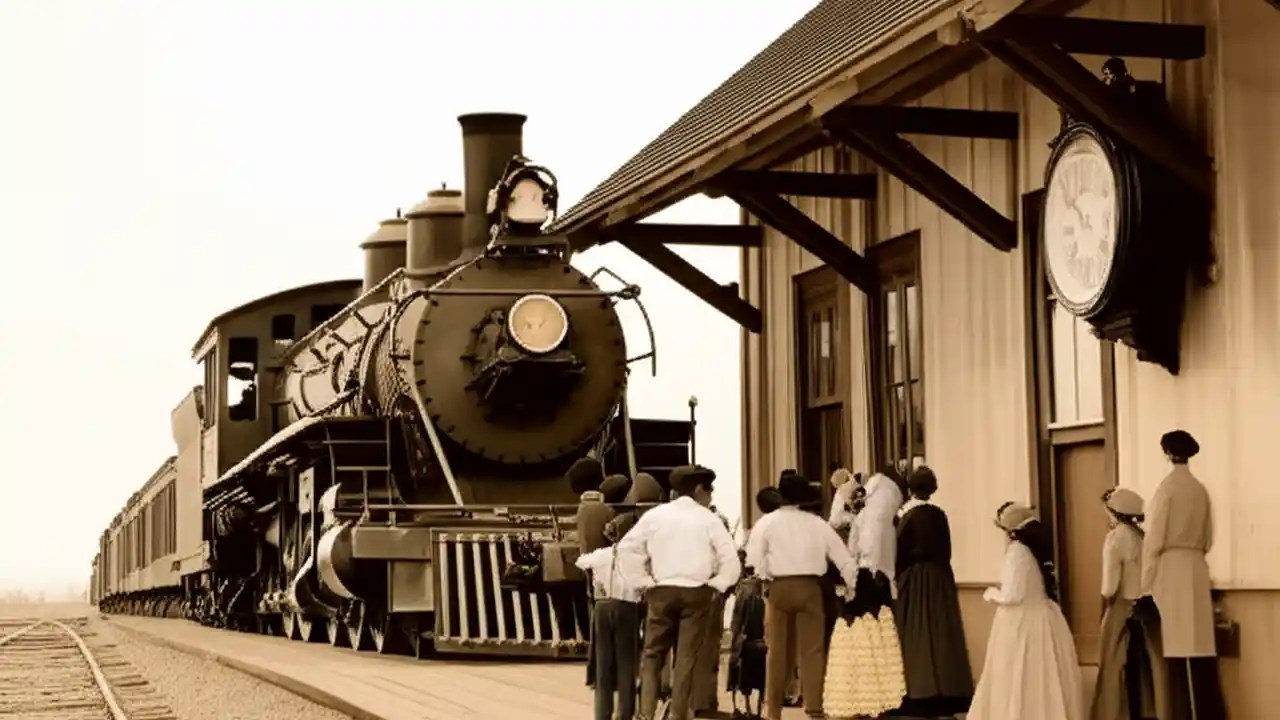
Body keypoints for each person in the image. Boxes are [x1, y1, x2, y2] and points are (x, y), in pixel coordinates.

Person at [617, 465, 741, 720]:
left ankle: (646, 714)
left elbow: (628, 549)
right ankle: (677, 714)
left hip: (661, 591)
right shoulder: (709, 519)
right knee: (686, 659)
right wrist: (717, 585)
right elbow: (730, 560)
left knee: (652, 654)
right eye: (710, 490)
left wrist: (642, 582)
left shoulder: (656, 516)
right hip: (697, 594)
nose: (711, 497)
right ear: (698, 490)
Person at [746, 473, 857, 720]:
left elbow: (753, 559)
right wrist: (852, 586)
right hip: (810, 588)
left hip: (779, 588)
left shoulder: (767, 522)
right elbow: (843, 559)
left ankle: (773, 709)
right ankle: (814, 707)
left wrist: (765, 576)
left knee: (776, 651)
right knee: (813, 650)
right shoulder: (817, 524)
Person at [968, 502, 1083, 720]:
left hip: (1021, 622)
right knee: (1044, 676)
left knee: (1018, 674)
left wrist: (991, 593)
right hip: (1044, 617)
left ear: (1011, 531)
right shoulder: (1036, 551)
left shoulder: (1017, 553)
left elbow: (1013, 595)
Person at [1141, 430, 1226, 720]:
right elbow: (1208, 536)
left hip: (1172, 569)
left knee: (1174, 647)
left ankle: (1178, 711)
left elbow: (1154, 537)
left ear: (1166, 453)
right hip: (1196, 568)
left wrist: (1146, 580)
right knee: (1199, 646)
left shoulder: (1166, 489)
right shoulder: (1200, 490)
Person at [823, 471, 907, 719]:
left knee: (858, 633)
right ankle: (878, 692)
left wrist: (852, 574)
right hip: (875, 577)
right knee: (876, 632)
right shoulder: (879, 516)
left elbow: (859, 545)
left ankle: (860, 693)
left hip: (864, 576)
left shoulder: (869, 516)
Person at [893, 466, 973, 718]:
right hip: (939, 577)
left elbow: (899, 551)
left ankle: (919, 691)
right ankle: (948, 690)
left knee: (916, 633)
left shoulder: (907, 516)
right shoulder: (939, 515)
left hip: (915, 579)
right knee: (942, 631)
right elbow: (946, 550)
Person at [1091, 488, 1168, 720]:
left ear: (1114, 512)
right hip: (1149, 609)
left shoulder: (1115, 539)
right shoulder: (1144, 537)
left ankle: (1117, 714)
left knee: (1116, 666)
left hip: (1123, 608)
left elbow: (1109, 587)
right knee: (1151, 669)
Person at [577, 525, 644, 720]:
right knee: (626, 662)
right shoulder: (637, 558)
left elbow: (581, 562)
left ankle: (602, 713)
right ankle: (624, 712)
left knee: (603, 662)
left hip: (603, 606)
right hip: (627, 607)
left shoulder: (601, 554)